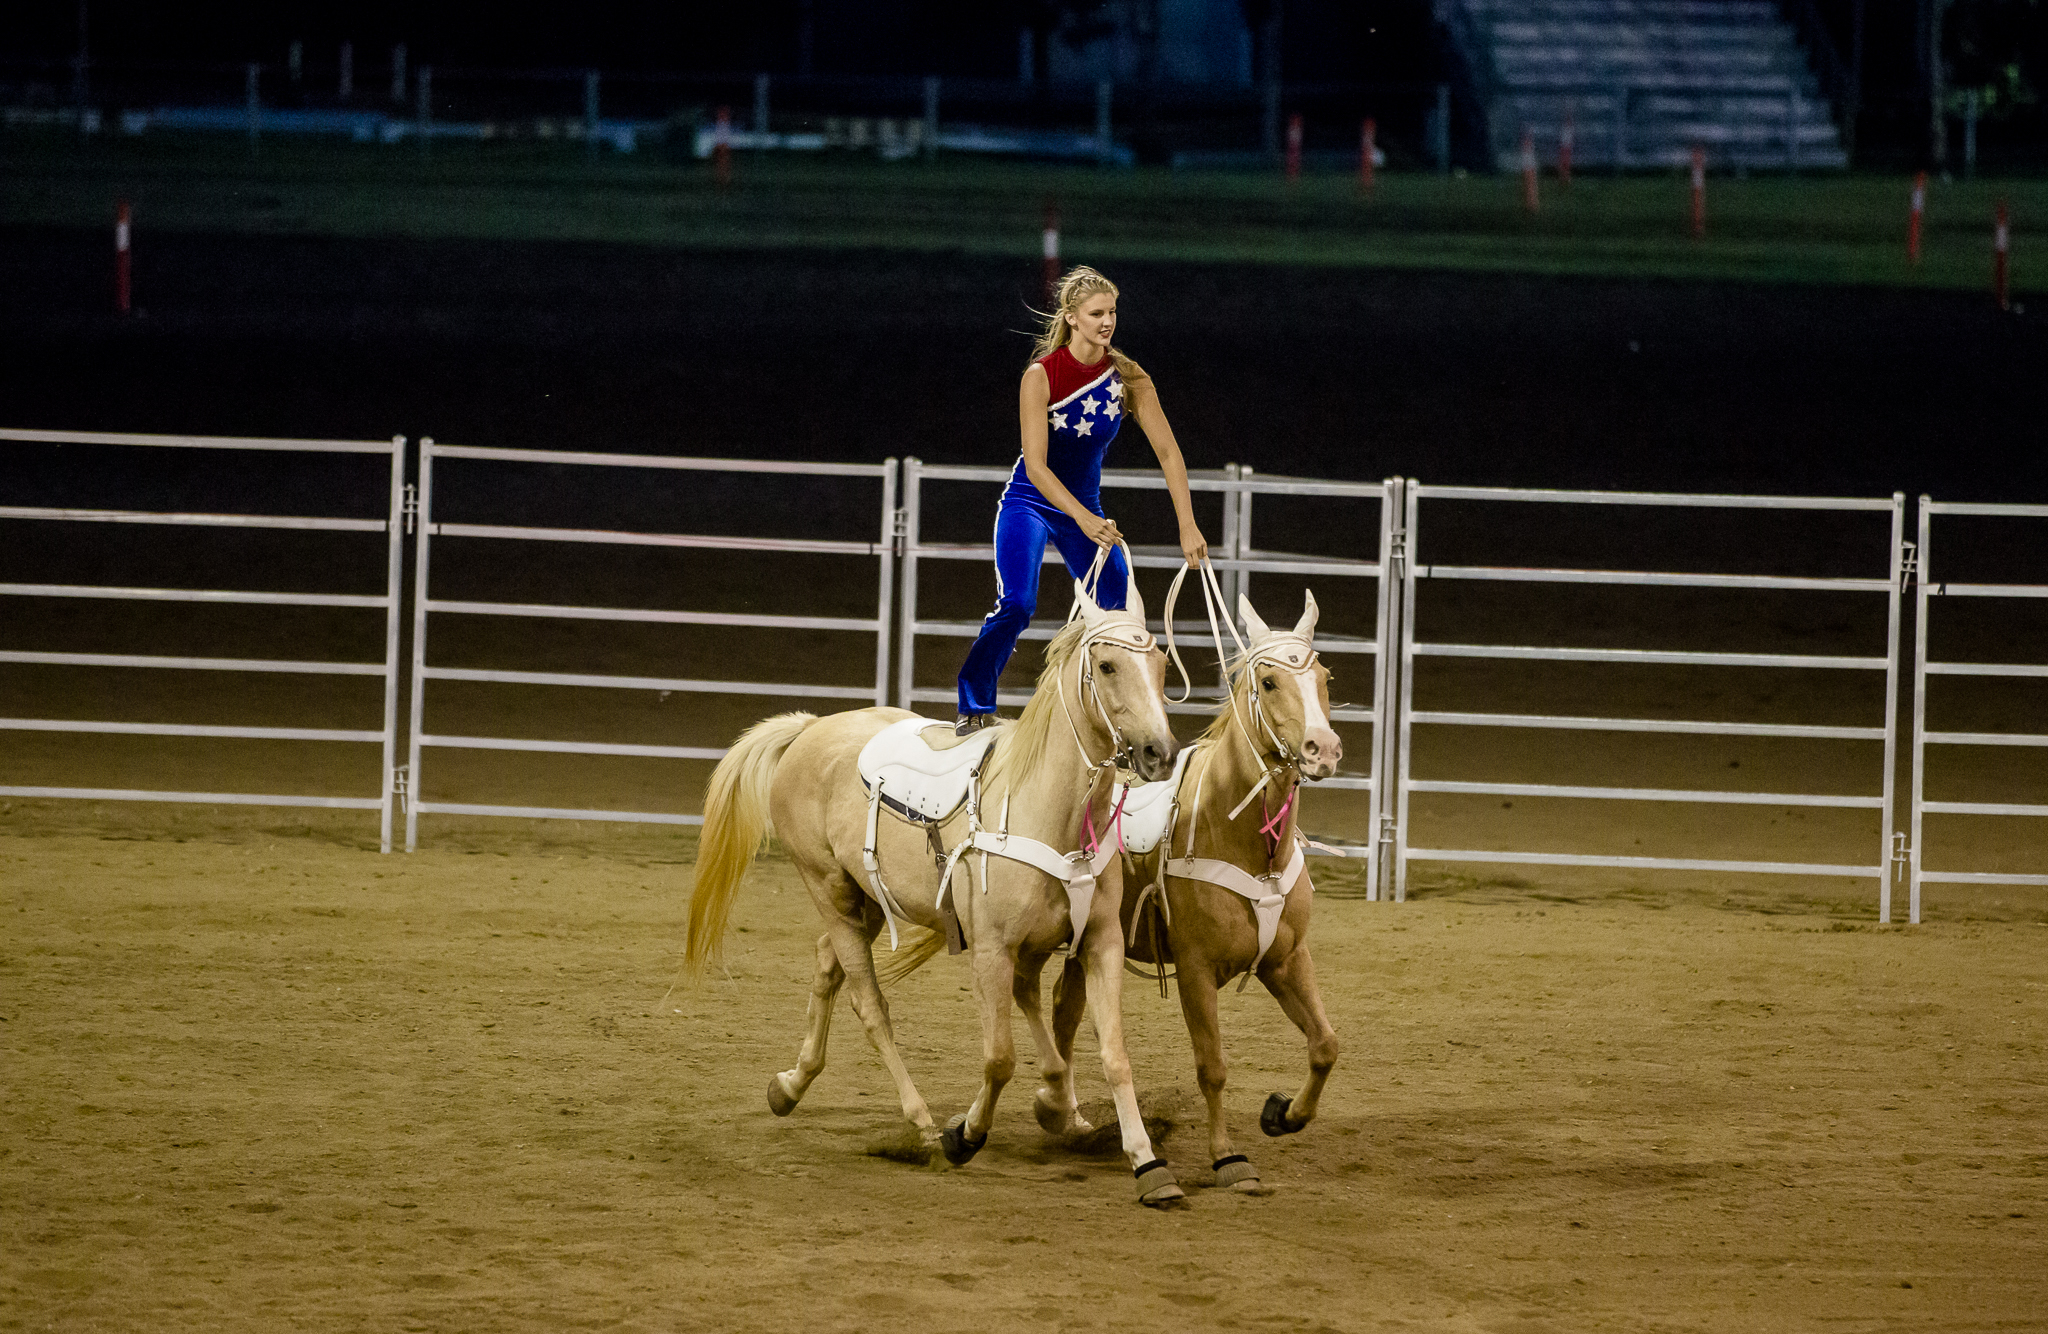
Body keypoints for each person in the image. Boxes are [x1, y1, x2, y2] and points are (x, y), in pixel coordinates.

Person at [955, 265, 1209, 734]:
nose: (1107, 321)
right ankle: (973, 703)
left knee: (1121, 613)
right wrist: (1085, 519)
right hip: (1030, 503)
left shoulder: (1128, 378)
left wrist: (1187, 525)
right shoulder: (1041, 376)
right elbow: (1036, 467)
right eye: (1096, 314)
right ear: (1071, 317)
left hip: (1085, 512)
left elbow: (1169, 453)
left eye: (1112, 312)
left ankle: (1122, 720)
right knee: (1017, 603)